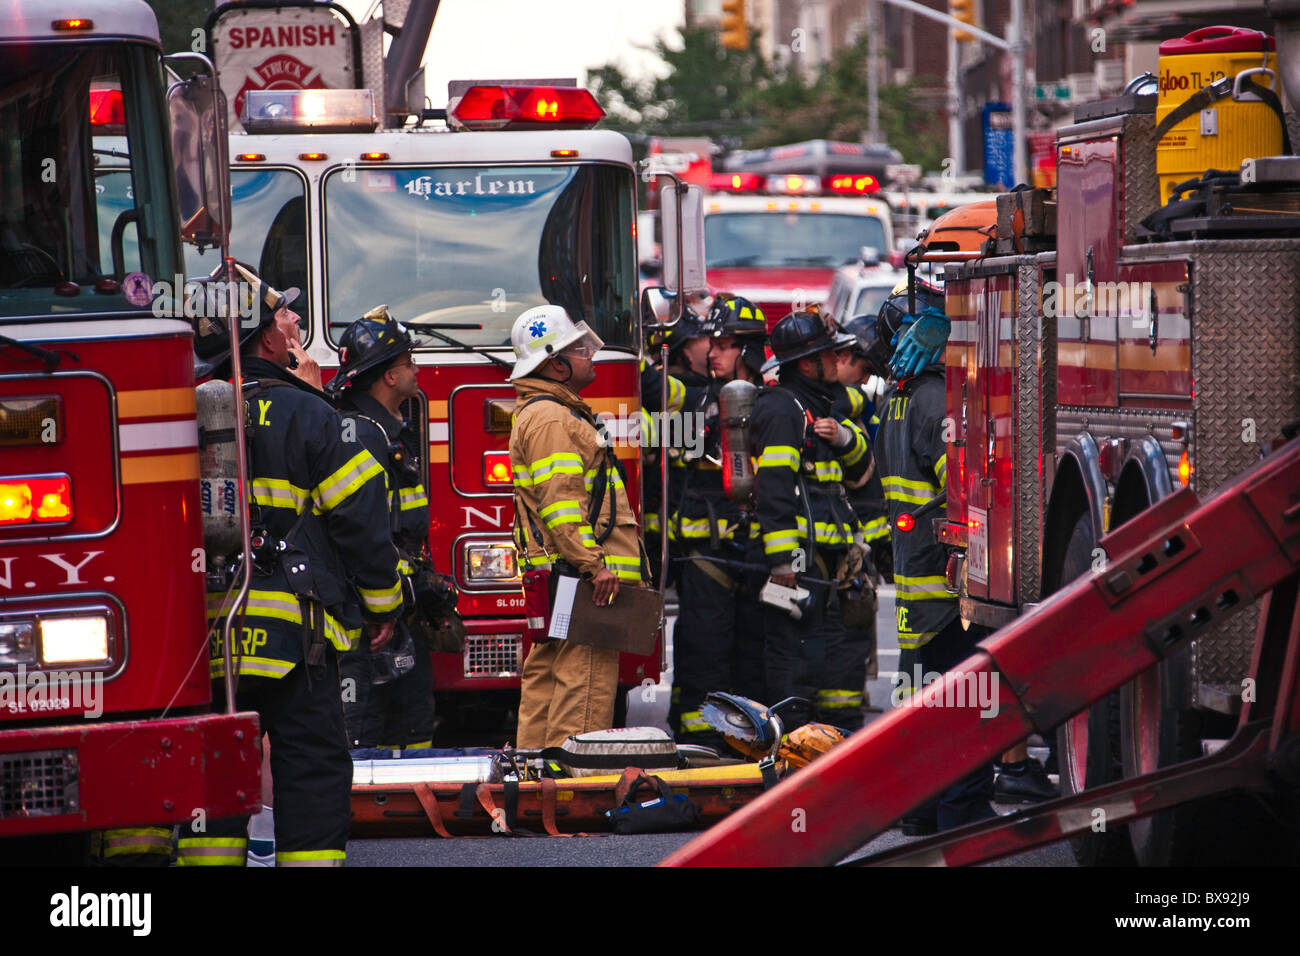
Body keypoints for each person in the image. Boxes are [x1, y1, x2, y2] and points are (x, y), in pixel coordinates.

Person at [178, 264, 402, 866]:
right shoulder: (311, 415)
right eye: (283, 313)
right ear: (262, 336)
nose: (295, 320)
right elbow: (361, 524)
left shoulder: (177, 412)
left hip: (204, 640)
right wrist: (383, 606)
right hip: (296, 639)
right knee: (312, 768)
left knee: (217, 771)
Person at [873, 281, 997, 833]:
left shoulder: (896, 398)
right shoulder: (932, 401)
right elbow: (961, 490)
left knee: (925, 697)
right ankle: (961, 813)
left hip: (916, 577)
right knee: (967, 698)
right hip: (949, 583)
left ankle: (922, 809)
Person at [508, 304, 642, 749]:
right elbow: (562, 504)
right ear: (556, 364)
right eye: (580, 350)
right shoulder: (552, 419)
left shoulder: (548, 413)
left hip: (562, 575)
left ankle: (535, 773)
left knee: (548, 682)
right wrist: (594, 566)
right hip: (581, 582)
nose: (591, 355)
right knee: (583, 685)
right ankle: (570, 781)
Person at [328, 306, 447, 754]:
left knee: (415, 725)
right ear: (390, 377)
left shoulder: (385, 431)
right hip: (370, 616)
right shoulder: (363, 436)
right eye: (408, 363)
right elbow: (362, 531)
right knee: (365, 730)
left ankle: (416, 797)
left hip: (399, 608)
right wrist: (380, 607)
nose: (417, 370)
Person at [750, 309, 874, 729]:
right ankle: (792, 749)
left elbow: (860, 475)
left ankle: (835, 745)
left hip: (833, 560)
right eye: (829, 355)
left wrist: (845, 437)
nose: (838, 361)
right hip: (800, 564)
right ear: (806, 364)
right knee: (795, 662)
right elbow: (774, 490)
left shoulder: (822, 406)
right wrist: (782, 563)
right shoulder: (782, 410)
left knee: (836, 662)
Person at [665, 296, 766, 747]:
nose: (713, 353)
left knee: (753, 652)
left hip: (760, 551)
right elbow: (650, 388)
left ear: (748, 350)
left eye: (725, 345)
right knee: (703, 648)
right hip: (706, 552)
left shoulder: (776, 402)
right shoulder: (696, 399)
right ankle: (700, 742)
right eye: (713, 344)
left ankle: (748, 737)